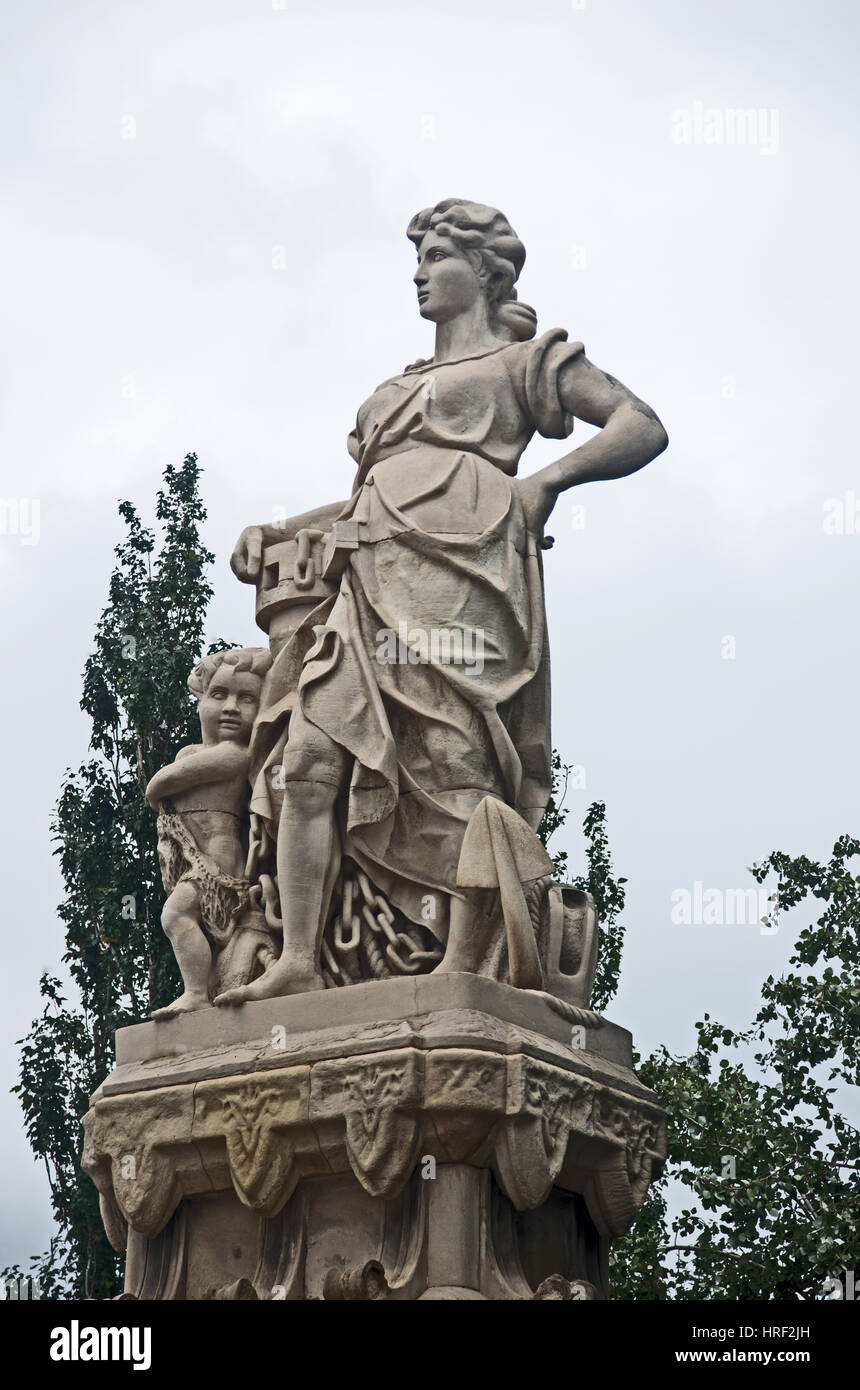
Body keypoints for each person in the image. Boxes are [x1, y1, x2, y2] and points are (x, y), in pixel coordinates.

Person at [217, 198, 667, 1005]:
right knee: (309, 762)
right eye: (417, 259)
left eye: (435, 256)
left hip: (468, 579)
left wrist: (545, 483)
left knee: (453, 763)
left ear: (486, 271)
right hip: (368, 587)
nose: (420, 273)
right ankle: (298, 959)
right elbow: (374, 499)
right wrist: (280, 528)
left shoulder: (521, 363)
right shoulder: (398, 387)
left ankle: (473, 962)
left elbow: (641, 426)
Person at [146, 647, 272, 1017]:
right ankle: (205, 988)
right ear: (200, 701)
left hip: (219, 865)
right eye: (220, 695)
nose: (232, 707)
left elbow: (157, 785)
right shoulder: (192, 752)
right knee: (194, 926)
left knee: (174, 916)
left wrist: (160, 785)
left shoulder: (235, 754)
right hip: (192, 863)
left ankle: (196, 993)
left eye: (247, 698)